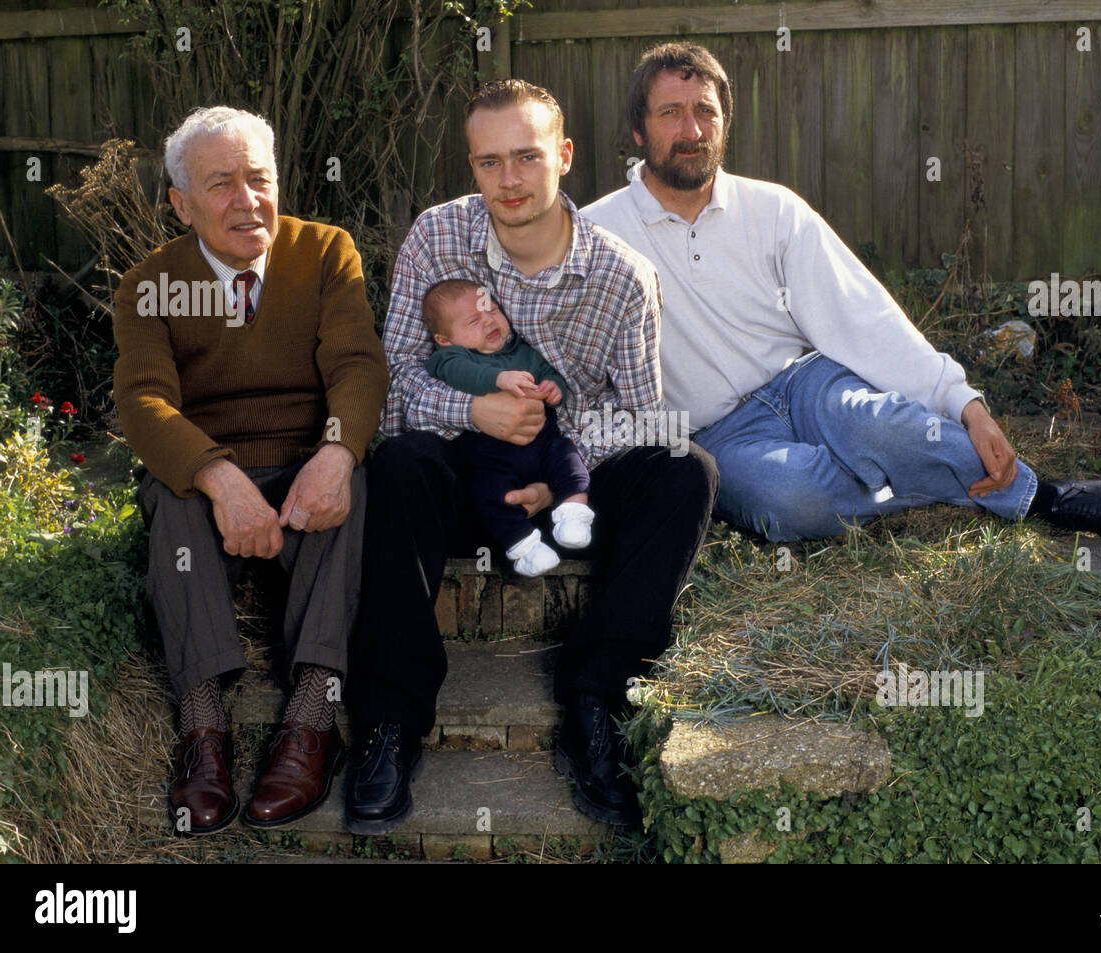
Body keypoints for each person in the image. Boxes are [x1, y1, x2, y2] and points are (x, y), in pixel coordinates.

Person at [583, 42, 1101, 543]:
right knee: (788, 499)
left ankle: (1042, 497)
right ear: (638, 131)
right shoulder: (597, 236)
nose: (692, 131)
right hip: (718, 431)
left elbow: (865, 317)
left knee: (884, 425)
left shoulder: (773, 208)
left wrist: (966, 404)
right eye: (670, 114)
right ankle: (923, 488)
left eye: (705, 111)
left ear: (726, 121)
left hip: (806, 382)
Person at [345, 80, 717, 830]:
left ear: (565, 157)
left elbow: (644, 419)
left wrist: (560, 463)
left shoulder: (622, 276)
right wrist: (474, 407)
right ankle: (389, 721)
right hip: (463, 485)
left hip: (567, 501)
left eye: (526, 157)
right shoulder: (435, 238)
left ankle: (597, 700)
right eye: (489, 163)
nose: (508, 181)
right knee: (400, 464)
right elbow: (392, 396)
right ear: (472, 166)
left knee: (686, 469)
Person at [112, 106, 388, 834]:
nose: (247, 200)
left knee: (351, 486)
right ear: (182, 203)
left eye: (259, 179)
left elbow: (357, 365)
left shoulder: (326, 252)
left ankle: (311, 717)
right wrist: (216, 474)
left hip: (306, 462)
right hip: (208, 480)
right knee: (172, 504)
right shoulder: (149, 284)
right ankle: (203, 729)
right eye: (222, 184)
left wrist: (335, 451)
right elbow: (142, 401)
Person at [422, 278, 594, 575]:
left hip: (542, 444)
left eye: (492, 310)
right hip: (491, 456)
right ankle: (525, 546)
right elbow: (458, 373)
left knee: (568, 456)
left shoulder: (523, 352)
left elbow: (548, 373)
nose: (489, 321)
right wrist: (498, 380)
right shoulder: (451, 357)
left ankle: (574, 514)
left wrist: (554, 388)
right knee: (489, 493)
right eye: (474, 320)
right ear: (444, 339)